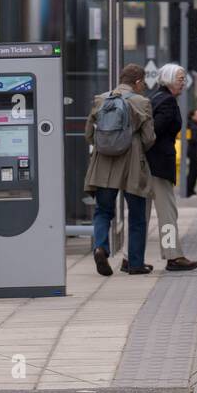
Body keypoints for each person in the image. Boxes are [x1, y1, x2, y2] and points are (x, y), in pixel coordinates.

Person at [84, 64, 155, 277]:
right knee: (137, 214)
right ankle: (135, 263)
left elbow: (89, 133)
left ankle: (101, 248)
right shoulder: (142, 102)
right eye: (143, 82)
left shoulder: (101, 99)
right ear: (138, 82)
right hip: (132, 163)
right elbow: (149, 138)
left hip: (104, 163)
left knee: (103, 211)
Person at [145, 64, 197, 272]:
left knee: (141, 213)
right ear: (167, 79)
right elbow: (154, 132)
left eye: (184, 78)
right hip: (159, 165)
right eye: (180, 79)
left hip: (148, 163)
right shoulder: (167, 102)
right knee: (167, 212)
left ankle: (130, 257)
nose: (183, 82)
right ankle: (173, 256)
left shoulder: (155, 98)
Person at [185, 107, 197, 197]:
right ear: (192, 116)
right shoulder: (192, 125)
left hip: (192, 151)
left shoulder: (192, 124)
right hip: (192, 151)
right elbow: (193, 139)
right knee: (195, 171)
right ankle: (188, 190)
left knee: (194, 171)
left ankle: (190, 190)